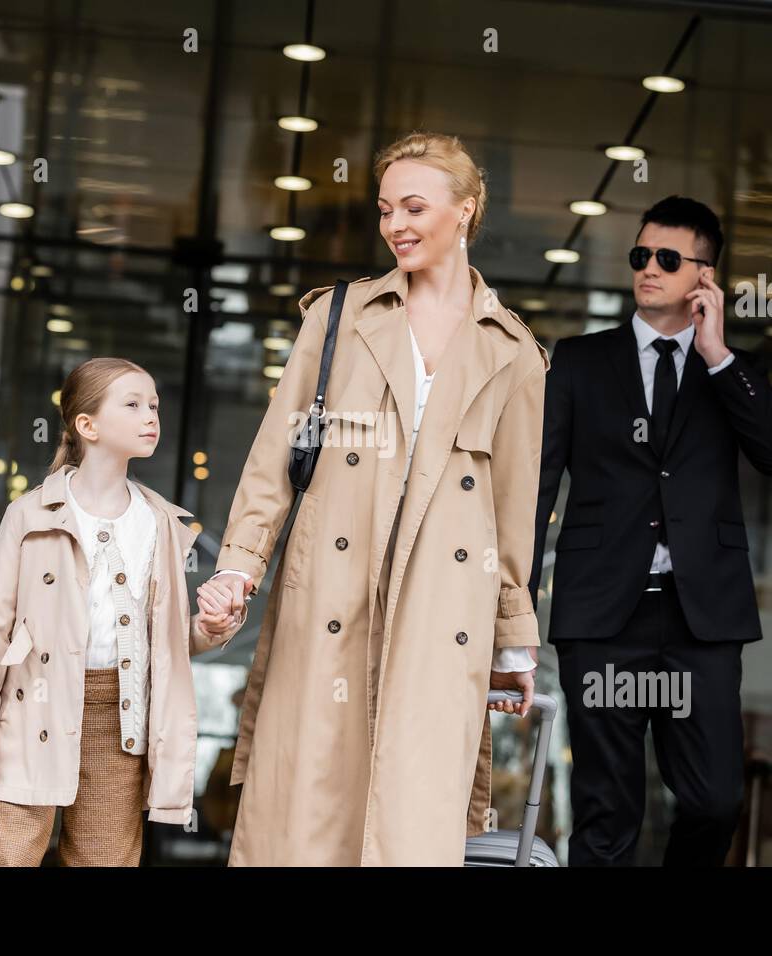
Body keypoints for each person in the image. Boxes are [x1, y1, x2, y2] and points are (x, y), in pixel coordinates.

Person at [201, 132, 550, 866]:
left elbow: (513, 511)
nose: (396, 225)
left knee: (411, 820)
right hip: (331, 590)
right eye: (387, 209)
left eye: (415, 207)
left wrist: (512, 637)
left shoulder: (514, 352)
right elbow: (274, 458)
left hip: (441, 610)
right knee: (308, 809)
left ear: (466, 210)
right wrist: (238, 567)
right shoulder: (338, 317)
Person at [529, 195, 772, 865]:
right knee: (605, 813)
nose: (648, 268)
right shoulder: (578, 361)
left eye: (668, 258)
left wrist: (717, 354)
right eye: (640, 255)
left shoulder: (732, 372)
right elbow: (536, 488)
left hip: (701, 621)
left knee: (716, 802)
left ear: (704, 277)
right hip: (600, 617)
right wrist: (509, 602)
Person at [0, 358, 244, 866]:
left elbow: (165, 638)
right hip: (31, 709)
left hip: (121, 718)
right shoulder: (30, 513)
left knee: (104, 859)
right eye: (132, 405)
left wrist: (209, 628)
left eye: (153, 404)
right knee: (10, 853)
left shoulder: (162, 523)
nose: (150, 415)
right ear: (86, 425)